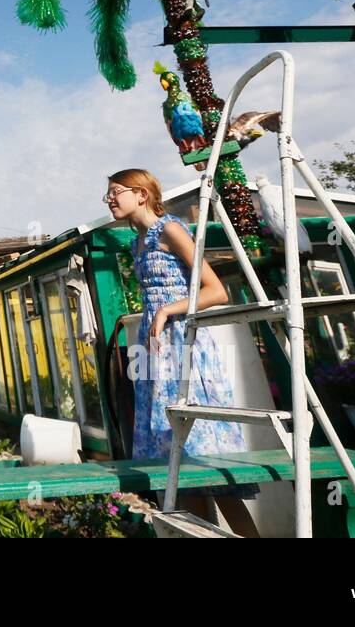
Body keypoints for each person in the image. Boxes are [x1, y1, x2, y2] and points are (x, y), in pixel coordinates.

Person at [106, 167, 259, 536]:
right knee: (178, 473)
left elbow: (216, 291)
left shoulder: (170, 229)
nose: (110, 199)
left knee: (206, 467)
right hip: (156, 354)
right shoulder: (137, 242)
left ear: (142, 194)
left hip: (184, 348)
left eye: (116, 192)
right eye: (107, 194)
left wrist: (166, 310)